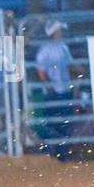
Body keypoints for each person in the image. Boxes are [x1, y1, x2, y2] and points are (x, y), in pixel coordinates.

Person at [34, 21, 73, 160]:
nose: (60, 33)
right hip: (54, 93)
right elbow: (41, 72)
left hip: (63, 90)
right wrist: (50, 88)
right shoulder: (45, 50)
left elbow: (69, 67)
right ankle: (52, 153)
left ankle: (61, 154)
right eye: (59, 31)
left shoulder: (63, 47)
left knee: (64, 124)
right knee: (54, 124)